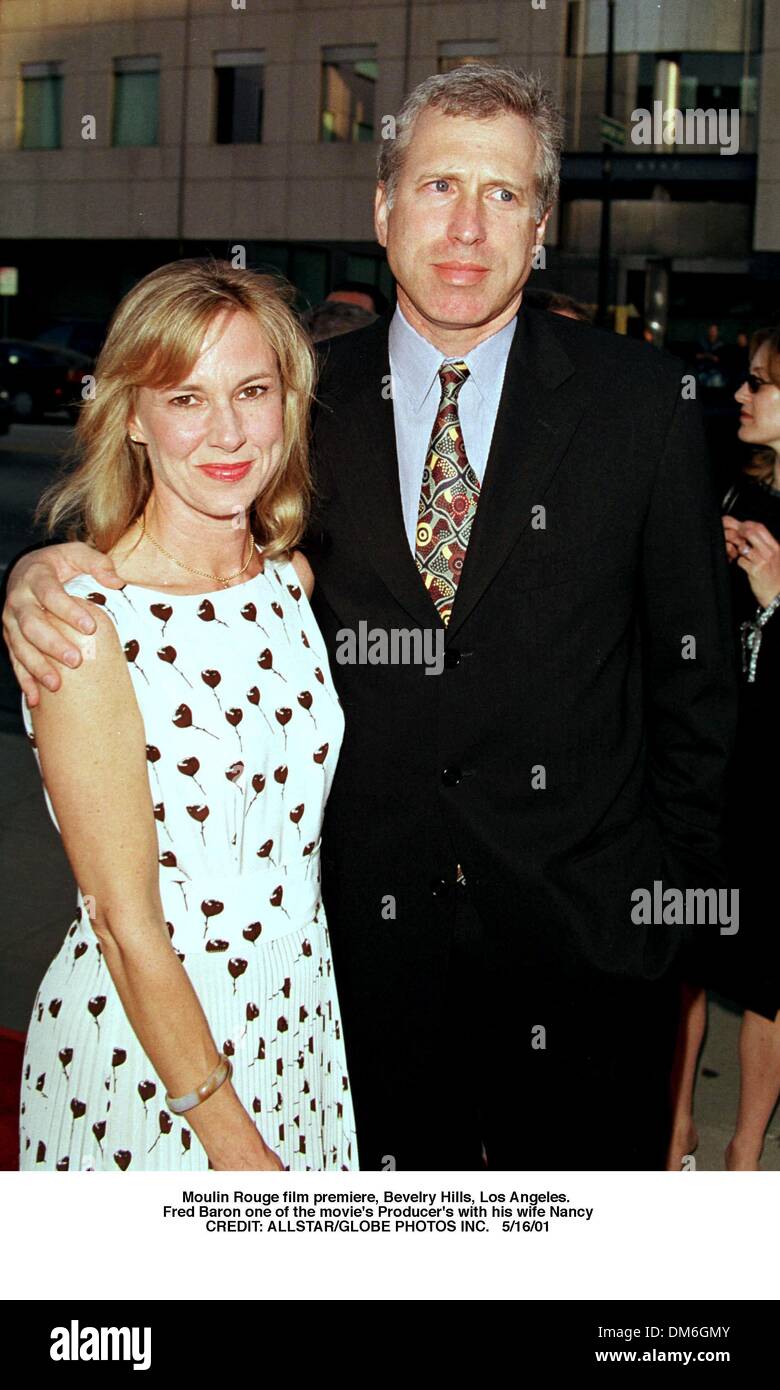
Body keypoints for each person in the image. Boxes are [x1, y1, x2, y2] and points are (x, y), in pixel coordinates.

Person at [3, 65, 738, 1171]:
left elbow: (700, 693)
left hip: (588, 977)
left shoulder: (647, 407)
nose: (465, 226)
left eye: (502, 196)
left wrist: (659, 926)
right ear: (382, 208)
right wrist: (43, 572)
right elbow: (173, 543)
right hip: (352, 989)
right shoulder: (292, 404)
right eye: (439, 184)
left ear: (542, 228)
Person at [9, 259, 358, 1172]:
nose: (229, 432)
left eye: (251, 389)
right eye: (185, 399)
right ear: (131, 414)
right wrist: (242, 1156)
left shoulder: (291, 584)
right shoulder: (86, 627)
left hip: (297, 1020)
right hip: (152, 1062)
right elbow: (127, 926)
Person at [667, 326, 780, 1171]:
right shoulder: (741, 494)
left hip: (771, 772)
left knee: (768, 977)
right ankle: (675, 1130)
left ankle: (745, 1149)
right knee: (690, 947)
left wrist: (775, 598)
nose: (739, 396)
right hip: (715, 757)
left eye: (760, 384)